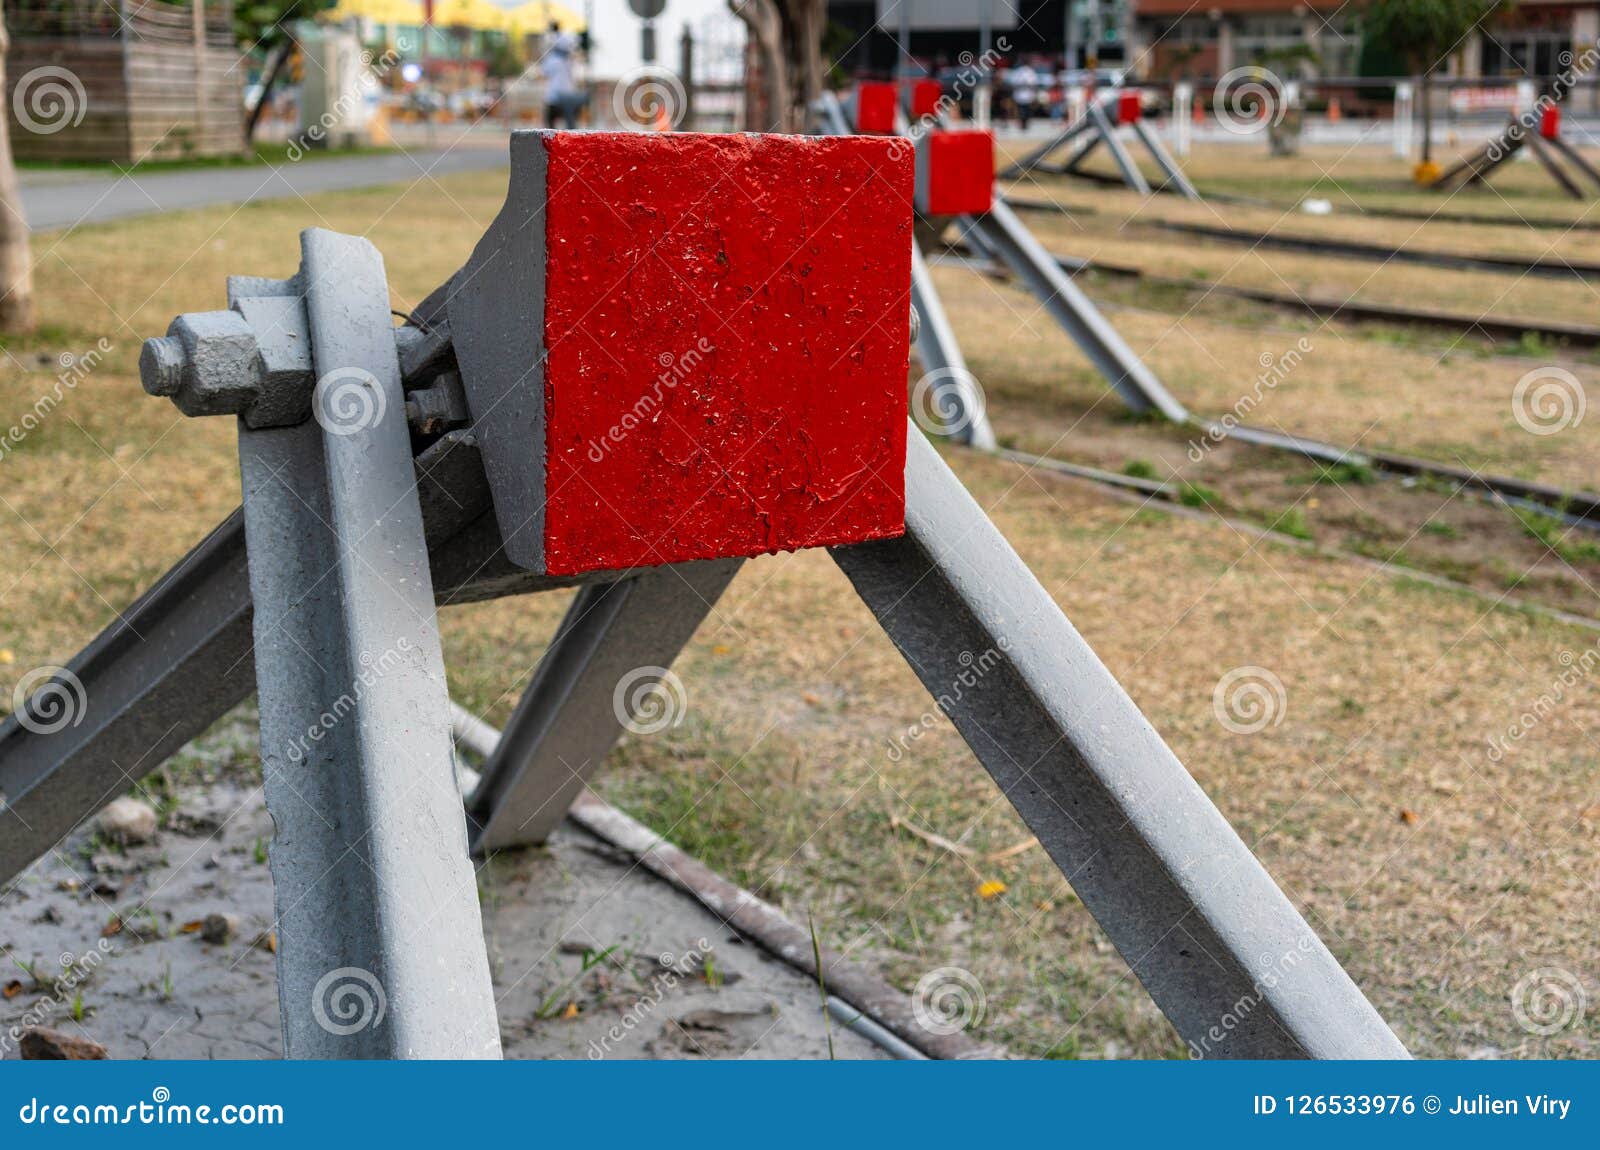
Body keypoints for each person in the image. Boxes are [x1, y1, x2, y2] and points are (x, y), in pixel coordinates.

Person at [542, 31, 584, 129]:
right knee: (569, 124)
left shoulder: (553, 59)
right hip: (566, 96)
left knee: (551, 125)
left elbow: (544, 72)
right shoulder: (570, 60)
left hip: (555, 97)